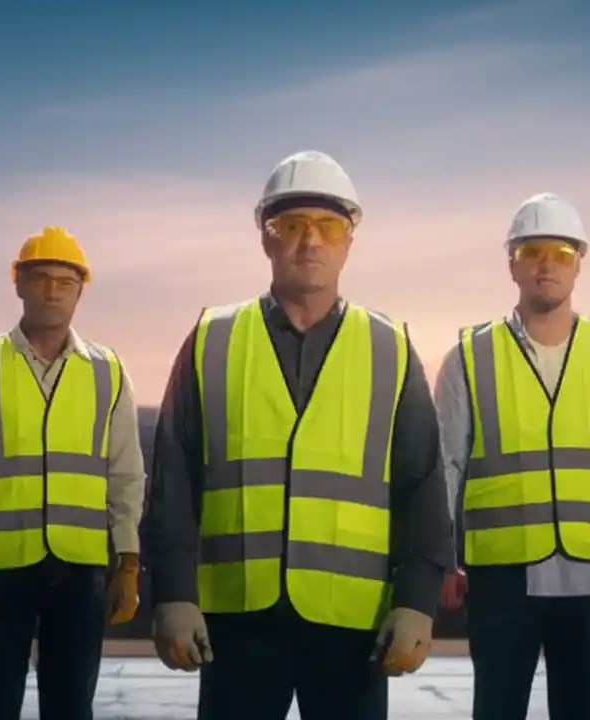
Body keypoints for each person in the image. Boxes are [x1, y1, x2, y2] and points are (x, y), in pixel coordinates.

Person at [144, 150, 453, 720]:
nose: (310, 242)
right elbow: (173, 478)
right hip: (235, 620)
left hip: (354, 624)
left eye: (327, 227)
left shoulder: (388, 347)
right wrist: (173, 593)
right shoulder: (213, 340)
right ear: (265, 238)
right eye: (291, 226)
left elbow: (422, 483)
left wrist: (416, 602)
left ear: (349, 241)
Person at [435, 192, 590, 720]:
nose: (547, 264)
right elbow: (446, 465)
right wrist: (444, 558)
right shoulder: (471, 355)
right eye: (533, 251)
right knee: (497, 709)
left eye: (561, 252)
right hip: (501, 576)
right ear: (512, 262)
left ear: (580, 263)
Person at [0, 226, 146, 720]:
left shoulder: (107, 371)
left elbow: (127, 475)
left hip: (80, 568)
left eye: (64, 281)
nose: (52, 290)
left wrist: (129, 565)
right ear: (19, 284)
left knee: (71, 705)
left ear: (80, 290)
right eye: (40, 278)